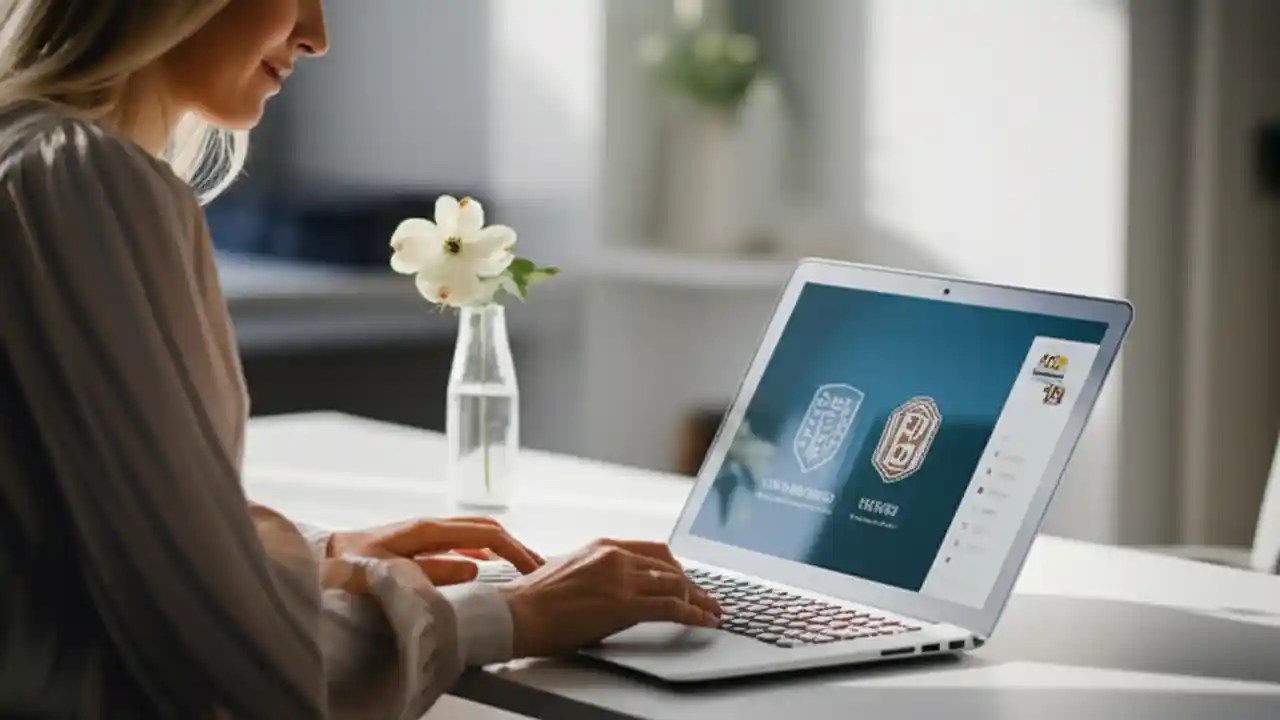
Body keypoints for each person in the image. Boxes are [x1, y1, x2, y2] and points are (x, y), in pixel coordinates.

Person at [0, 1, 720, 717]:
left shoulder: (32, 163)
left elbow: (70, 541)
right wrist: (511, 614)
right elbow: (243, 667)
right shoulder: (77, 180)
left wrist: (312, 556)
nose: (316, 37)